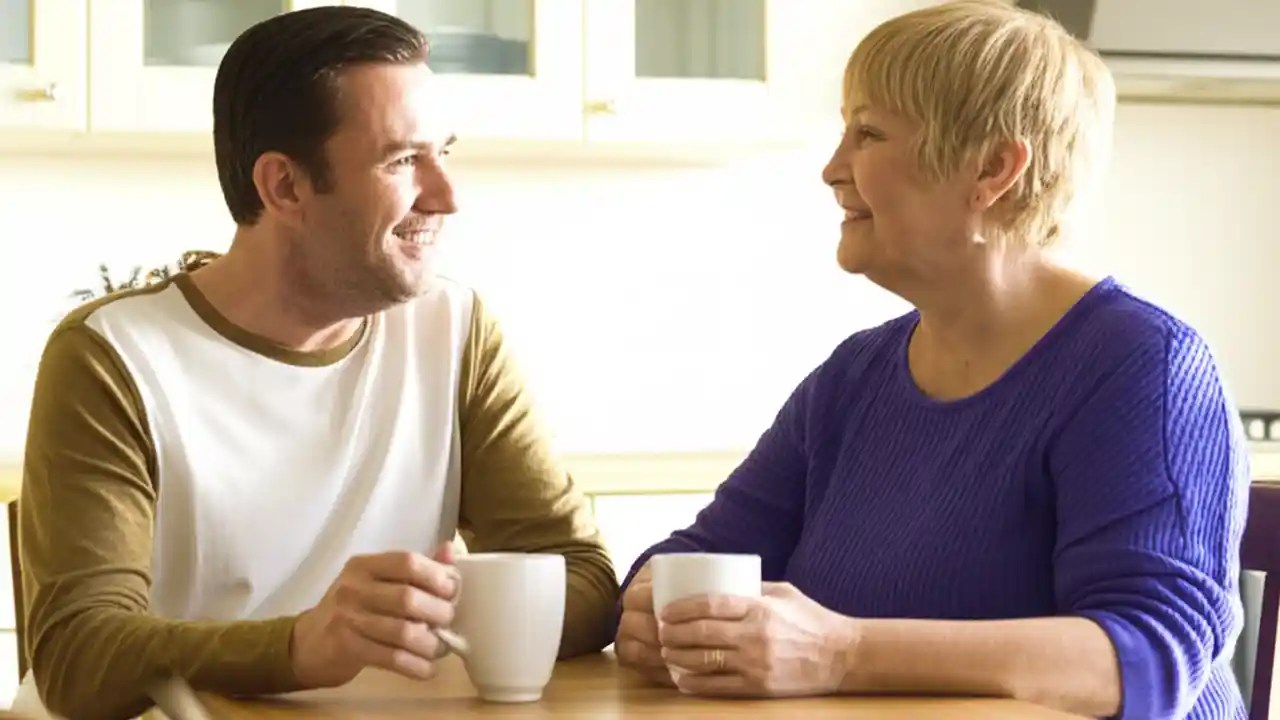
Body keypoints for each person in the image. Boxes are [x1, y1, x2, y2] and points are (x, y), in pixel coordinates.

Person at [614, 2, 1249, 719]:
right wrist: (649, 604)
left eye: (869, 133)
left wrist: (840, 651)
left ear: (992, 170)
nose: (832, 168)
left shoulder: (1144, 367)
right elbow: (701, 554)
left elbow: (1145, 656)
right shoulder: (853, 378)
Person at [15, 7, 618, 719]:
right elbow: (78, 658)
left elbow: (583, 580)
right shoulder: (114, 357)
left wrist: (428, 608)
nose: (447, 196)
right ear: (285, 188)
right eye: (401, 161)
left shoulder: (453, 331)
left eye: (443, 153)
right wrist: (301, 647)